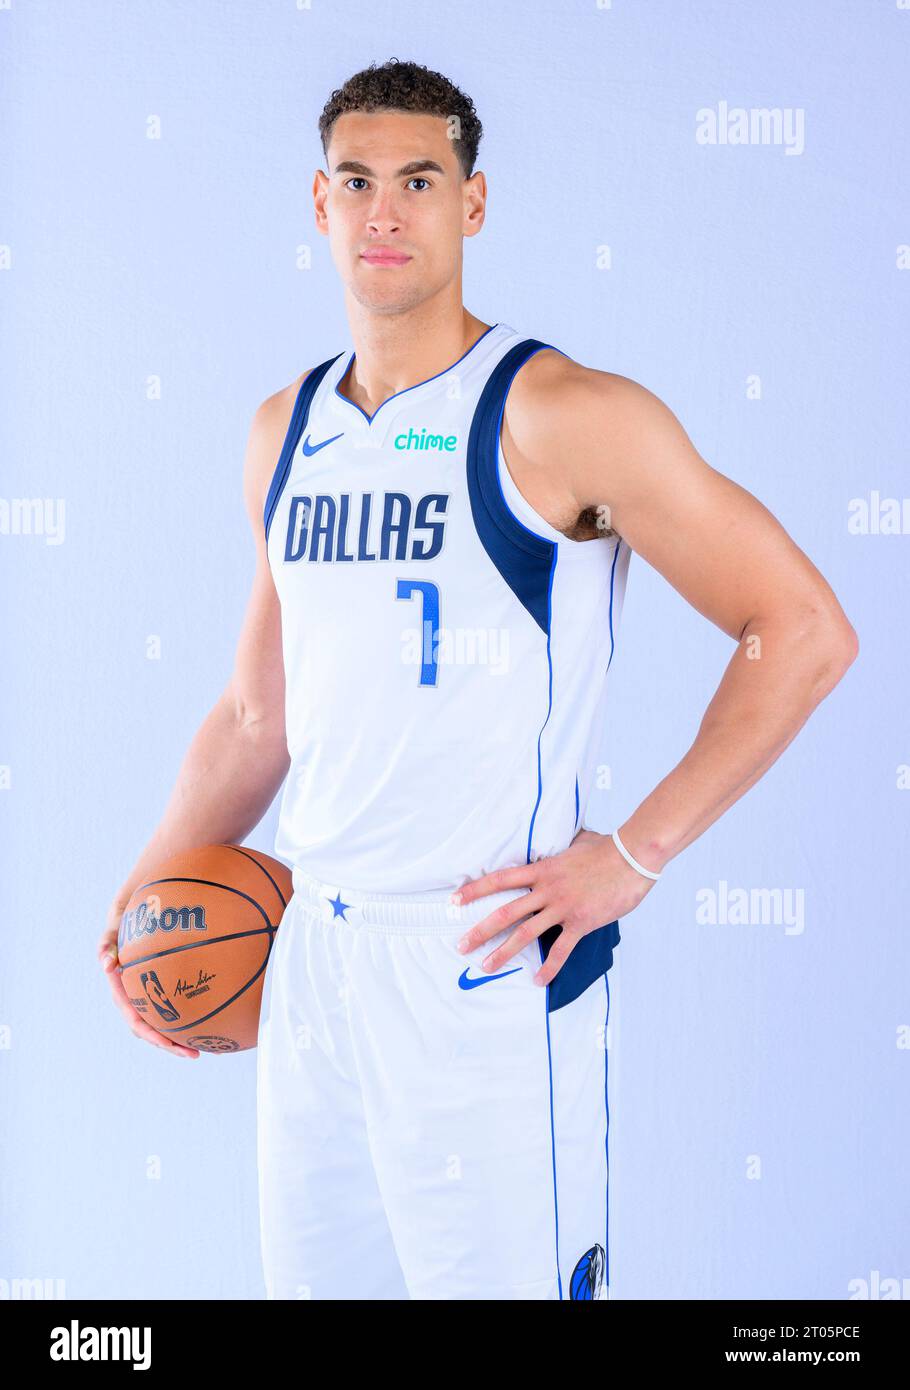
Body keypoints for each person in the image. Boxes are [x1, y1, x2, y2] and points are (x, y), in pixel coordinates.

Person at [99, 59, 858, 1301]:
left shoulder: (557, 414)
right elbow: (257, 712)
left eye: (419, 179)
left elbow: (802, 627)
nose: (385, 211)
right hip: (312, 960)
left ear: (475, 203)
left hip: (486, 960)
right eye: (358, 182)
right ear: (319, 204)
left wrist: (637, 853)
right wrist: (139, 909)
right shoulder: (283, 431)